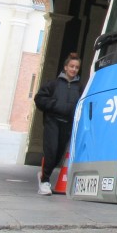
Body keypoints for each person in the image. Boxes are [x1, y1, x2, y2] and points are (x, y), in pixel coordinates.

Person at [33, 52, 82, 195]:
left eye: (76, 67)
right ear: (65, 67)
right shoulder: (53, 84)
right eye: (71, 66)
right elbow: (39, 99)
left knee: (58, 155)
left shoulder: (80, 88)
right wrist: (54, 105)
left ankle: (43, 174)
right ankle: (45, 181)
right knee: (51, 151)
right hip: (52, 122)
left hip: (67, 124)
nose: (74, 69)